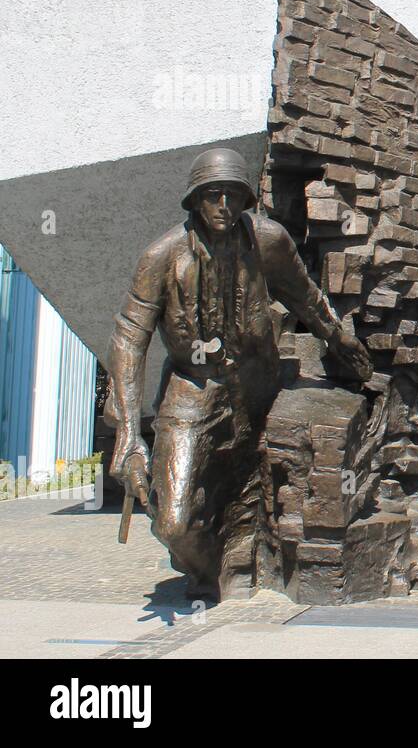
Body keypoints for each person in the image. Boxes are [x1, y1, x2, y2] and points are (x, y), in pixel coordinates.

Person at [107, 148, 371, 599]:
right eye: (213, 195)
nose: (224, 206)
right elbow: (130, 339)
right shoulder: (161, 255)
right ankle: (209, 569)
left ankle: (243, 556)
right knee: (172, 521)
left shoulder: (268, 240)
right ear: (194, 200)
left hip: (256, 380)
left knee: (250, 480)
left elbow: (305, 297)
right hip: (192, 387)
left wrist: (340, 342)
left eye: (233, 195)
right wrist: (129, 434)